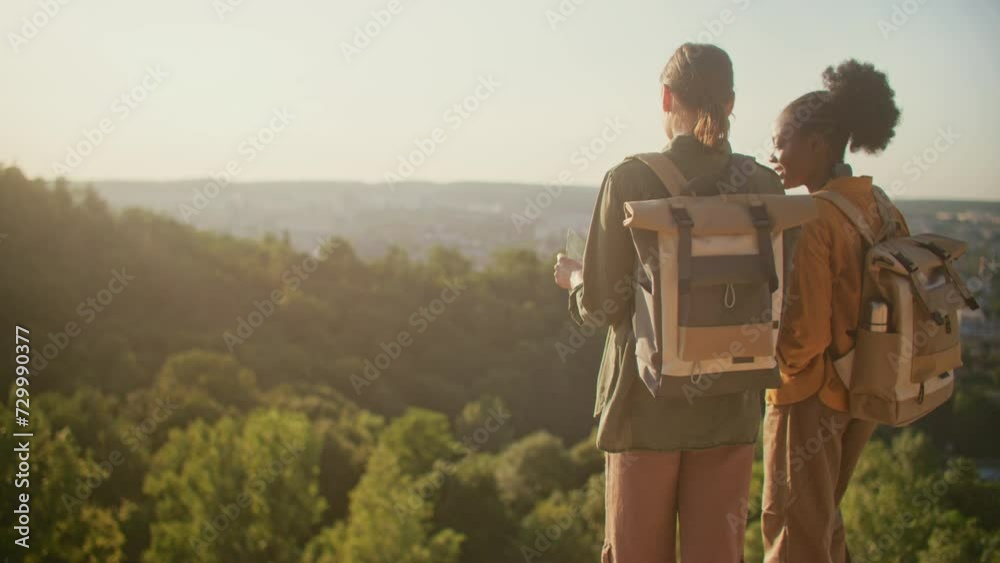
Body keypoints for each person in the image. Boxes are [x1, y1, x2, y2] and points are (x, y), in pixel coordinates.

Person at [553, 43, 786, 563]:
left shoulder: (630, 179)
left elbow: (603, 306)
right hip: (732, 401)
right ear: (731, 102)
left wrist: (575, 280)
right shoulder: (765, 183)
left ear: (666, 97)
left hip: (646, 404)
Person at [762, 60, 907, 563]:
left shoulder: (815, 216)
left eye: (781, 141)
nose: (773, 154)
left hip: (810, 396)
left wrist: (765, 367)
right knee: (822, 524)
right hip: (864, 389)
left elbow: (804, 336)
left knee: (792, 531)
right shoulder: (880, 203)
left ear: (818, 144)